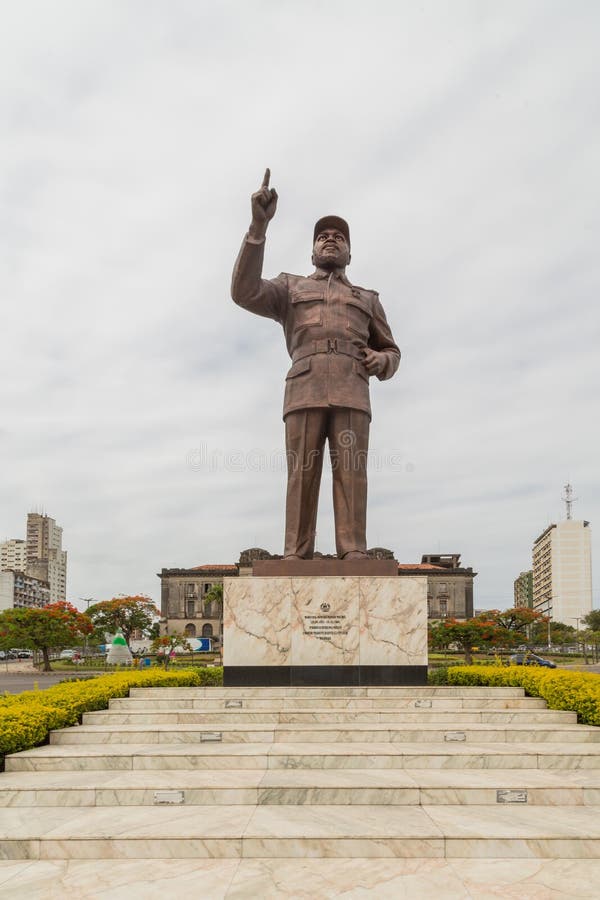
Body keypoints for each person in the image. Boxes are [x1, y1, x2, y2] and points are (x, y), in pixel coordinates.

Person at [231, 170, 400, 560]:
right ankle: (296, 551)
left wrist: (382, 360)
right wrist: (258, 226)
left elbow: (392, 350)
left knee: (352, 473)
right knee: (301, 474)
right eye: (323, 236)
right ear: (312, 252)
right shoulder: (290, 287)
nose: (330, 239)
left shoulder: (368, 299)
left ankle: (353, 550)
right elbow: (244, 291)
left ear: (349, 254)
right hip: (304, 388)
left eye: (339, 237)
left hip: (352, 389)